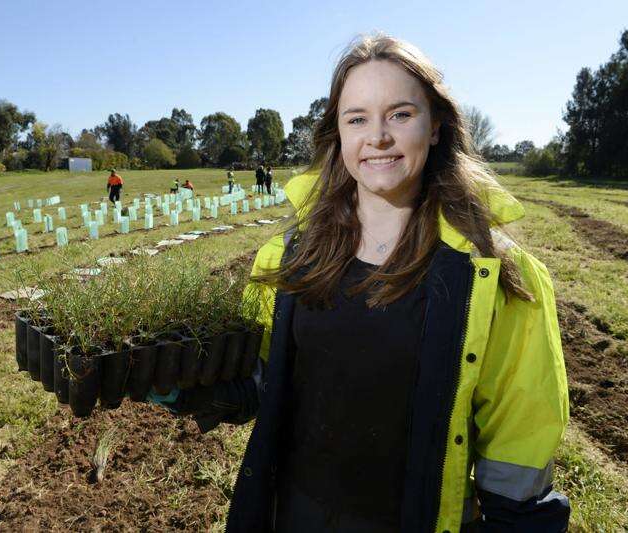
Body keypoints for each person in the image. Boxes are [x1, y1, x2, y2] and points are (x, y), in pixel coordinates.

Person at [155, 34, 570, 532]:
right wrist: (181, 387)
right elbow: (264, 387)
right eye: (357, 119)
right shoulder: (292, 254)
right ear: (339, 134)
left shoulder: (493, 277)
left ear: (435, 126)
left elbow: (517, 460)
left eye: (400, 114)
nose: (377, 137)